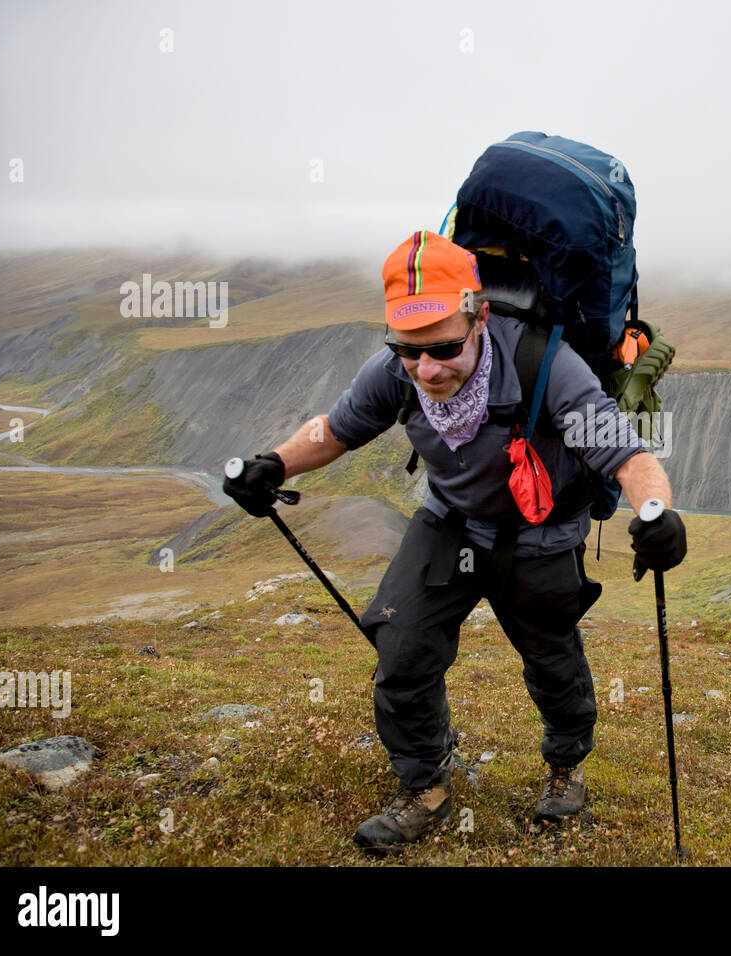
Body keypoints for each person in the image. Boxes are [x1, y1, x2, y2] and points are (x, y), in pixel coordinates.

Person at [222, 231, 686, 853]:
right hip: (452, 524)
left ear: (480, 316)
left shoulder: (544, 365)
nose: (427, 369)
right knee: (403, 645)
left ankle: (566, 767)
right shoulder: (397, 368)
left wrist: (656, 513)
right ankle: (425, 784)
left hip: (541, 538)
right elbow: (335, 430)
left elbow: (625, 455)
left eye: (443, 347)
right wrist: (273, 465)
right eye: (409, 352)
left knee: (553, 661)